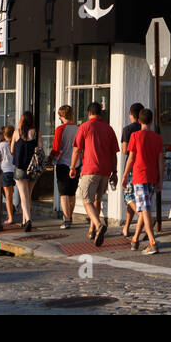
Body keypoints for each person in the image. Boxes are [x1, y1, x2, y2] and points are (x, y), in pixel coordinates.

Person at [69, 101, 118, 247]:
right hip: (105, 170)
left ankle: (97, 224)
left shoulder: (84, 127)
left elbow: (77, 149)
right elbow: (113, 153)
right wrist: (114, 172)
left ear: (89, 113)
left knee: (86, 199)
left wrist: (72, 167)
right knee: (98, 198)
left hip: (90, 169)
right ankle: (92, 229)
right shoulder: (109, 129)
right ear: (100, 113)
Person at [119, 107, 164, 255]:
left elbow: (131, 157)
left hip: (139, 176)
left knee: (145, 210)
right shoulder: (157, 138)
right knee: (145, 209)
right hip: (152, 176)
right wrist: (161, 179)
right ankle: (135, 239)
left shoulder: (135, 136)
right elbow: (160, 161)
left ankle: (152, 242)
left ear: (139, 121)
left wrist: (125, 175)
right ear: (151, 121)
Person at [119, 102, 144, 238]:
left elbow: (124, 151)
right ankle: (126, 228)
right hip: (143, 167)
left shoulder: (127, 129)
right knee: (135, 199)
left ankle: (144, 217)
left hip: (131, 167)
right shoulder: (144, 128)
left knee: (128, 197)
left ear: (130, 114)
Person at [11, 111, 38, 232]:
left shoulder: (17, 132)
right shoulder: (36, 132)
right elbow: (41, 148)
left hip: (20, 167)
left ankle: (28, 219)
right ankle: (24, 220)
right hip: (33, 168)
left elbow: (11, 149)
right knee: (29, 195)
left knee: (23, 196)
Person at [51, 105, 78, 230]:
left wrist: (51, 158)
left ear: (61, 116)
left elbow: (56, 148)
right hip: (76, 164)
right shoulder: (79, 129)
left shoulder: (60, 129)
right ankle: (70, 216)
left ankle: (66, 219)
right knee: (72, 192)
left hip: (63, 163)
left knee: (63, 193)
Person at [0, 124, 18, 225]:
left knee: (7, 196)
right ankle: (12, 213)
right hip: (13, 170)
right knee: (11, 194)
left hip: (4, 171)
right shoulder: (15, 144)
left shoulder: (2, 145)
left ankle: (10, 217)